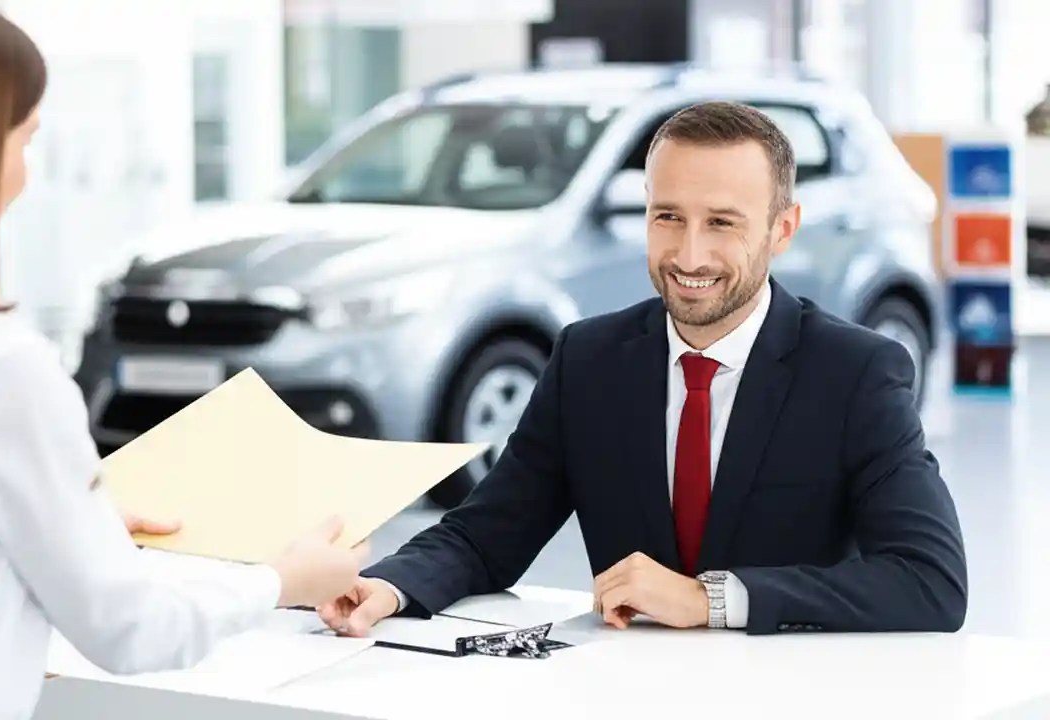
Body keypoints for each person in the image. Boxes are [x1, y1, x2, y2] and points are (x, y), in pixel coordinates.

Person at [0, 1, 364, 718]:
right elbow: (132, 629)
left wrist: (56, 516)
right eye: (25, 139)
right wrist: (281, 579)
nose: (24, 173)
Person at [319, 101, 968, 637]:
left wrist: (712, 600)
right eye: (668, 217)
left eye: (722, 223)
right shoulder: (589, 361)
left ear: (782, 229)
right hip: (627, 694)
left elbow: (929, 579)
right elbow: (486, 535)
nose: (690, 254)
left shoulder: (855, 372)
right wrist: (389, 587)